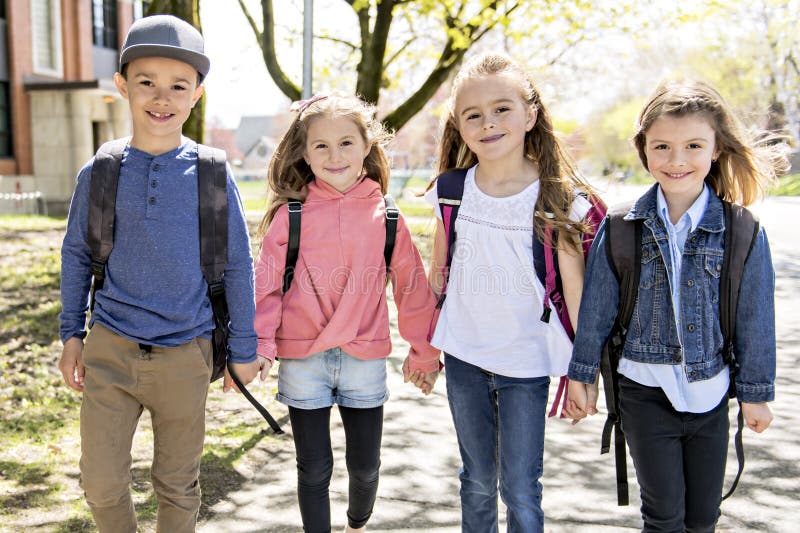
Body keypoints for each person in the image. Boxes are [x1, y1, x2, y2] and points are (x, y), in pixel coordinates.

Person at [58, 15, 264, 533]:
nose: (162, 97)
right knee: (100, 483)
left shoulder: (212, 173)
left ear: (197, 95)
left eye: (178, 86)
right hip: (110, 346)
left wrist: (243, 348)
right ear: (122, 85)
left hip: (186, 352)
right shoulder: (100, 171)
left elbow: (238, 263)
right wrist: (71, 333)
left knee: (177, 484)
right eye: (147, 81)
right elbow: (76, 254)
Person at [566, 80, 787, 532]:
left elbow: (756, 318)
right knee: (664, 517)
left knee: (703, 518)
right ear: (644, 150)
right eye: (662, 146)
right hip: (643, 390)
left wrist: (756, 392)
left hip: (710, 394)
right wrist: (582, 376)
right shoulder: (622, 226)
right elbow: (597, 310)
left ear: (716, 148)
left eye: (693, 146)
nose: (676, 159)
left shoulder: (742, 230)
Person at [421, 52, 599, 532]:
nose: (488, 123)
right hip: (464, 356)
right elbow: (438, 276)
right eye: (473, 115)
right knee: (477, 481)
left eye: (502, 109)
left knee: (521, 488)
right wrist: (425, 349)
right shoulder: (450, 190)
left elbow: (576, 291)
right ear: (459, 127)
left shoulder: (557, 198)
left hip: (527, 361)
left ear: (530, 115)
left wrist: (584, 373)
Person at [253, 92, 440, 533]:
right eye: (321, 145)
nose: (334, 156)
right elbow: (266, 287)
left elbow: (412, 289)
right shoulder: (291, 215)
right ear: (305, 153)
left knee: (365, 467)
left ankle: (357, 525)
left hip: (364, 358)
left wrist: (425, 353)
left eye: (346, 143)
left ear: (367, 146)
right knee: (313, 468)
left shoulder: (387, 216)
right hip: (303, 359)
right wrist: (259, 345)